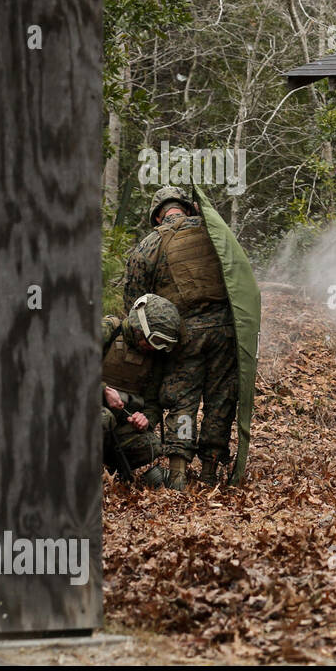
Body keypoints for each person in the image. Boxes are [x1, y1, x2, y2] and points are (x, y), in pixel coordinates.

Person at [123, 186, 240, 488]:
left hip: (182, 336)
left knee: (182, 402)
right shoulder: (216, 234)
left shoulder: (149, 245)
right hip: (225, 332)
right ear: (188, 209)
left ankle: (177, 475)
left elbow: (135, 306)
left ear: (157, 215)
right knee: (220, 400)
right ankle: (211, 472)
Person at [101, 294, 181, 487]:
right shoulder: (108, 330)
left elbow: (152, 403)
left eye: (162, 343)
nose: (155, 347)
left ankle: (111, 468)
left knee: (151, 447)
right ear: (139, 326)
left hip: (117, 424)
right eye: (154, 339)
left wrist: (145, 420)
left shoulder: (153, 358)